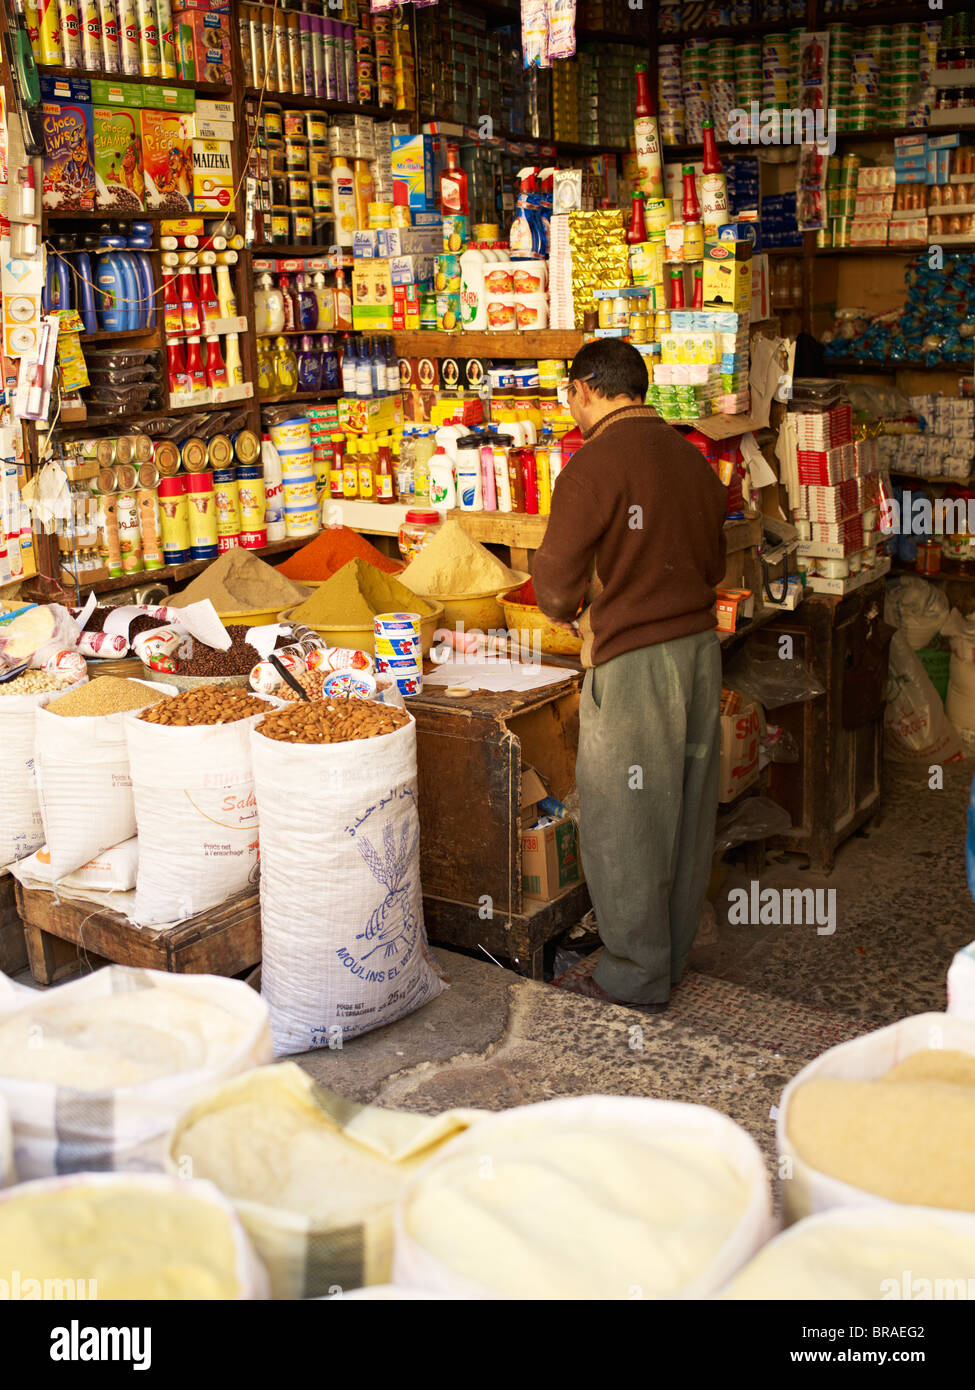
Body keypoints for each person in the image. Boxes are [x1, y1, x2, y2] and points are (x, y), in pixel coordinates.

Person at [532, 338, 728, 1008]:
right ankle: (667, 958)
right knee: (685, 811)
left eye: (568, 393)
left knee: (625, 820)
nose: (570, 404)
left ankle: (634, 974)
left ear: (584, 388)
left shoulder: (592, 466)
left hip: (634, 661)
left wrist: (572, 608)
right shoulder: (690, 459)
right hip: (698, 654)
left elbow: (553, 585)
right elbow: (713, 563)